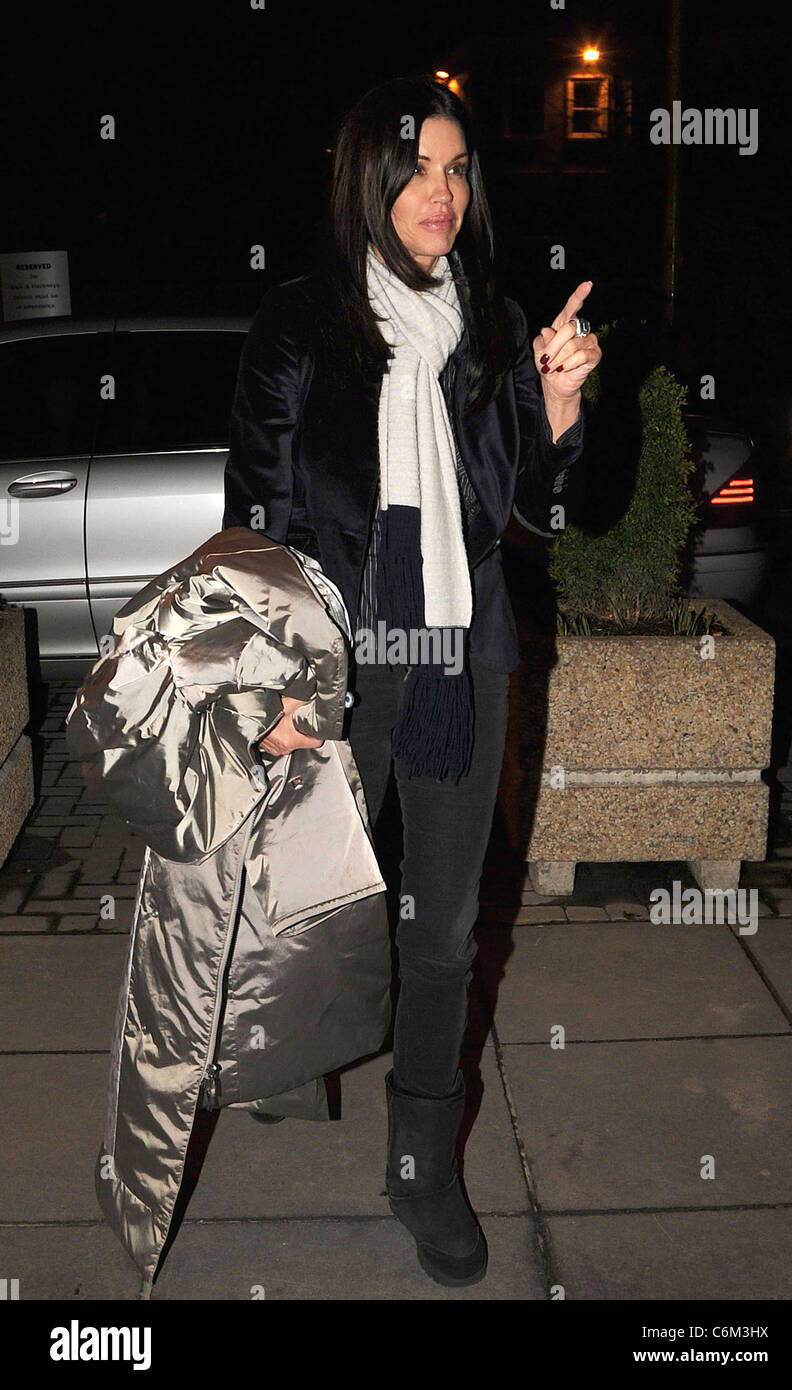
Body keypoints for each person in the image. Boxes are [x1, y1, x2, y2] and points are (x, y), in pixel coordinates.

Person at [222, 73, 601, 1288]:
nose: (440, 193)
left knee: (442, 925)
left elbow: (526, 513)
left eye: (455, 170)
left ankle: (420, 1161)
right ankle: (285, 1053)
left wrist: (553, 403)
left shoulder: (488, 323)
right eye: (416, 169)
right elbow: (257, 520)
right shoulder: (301, 322)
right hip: (336, 658)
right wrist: (271, 687)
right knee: (311, 900)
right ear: (369, 181)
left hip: (455, 649)